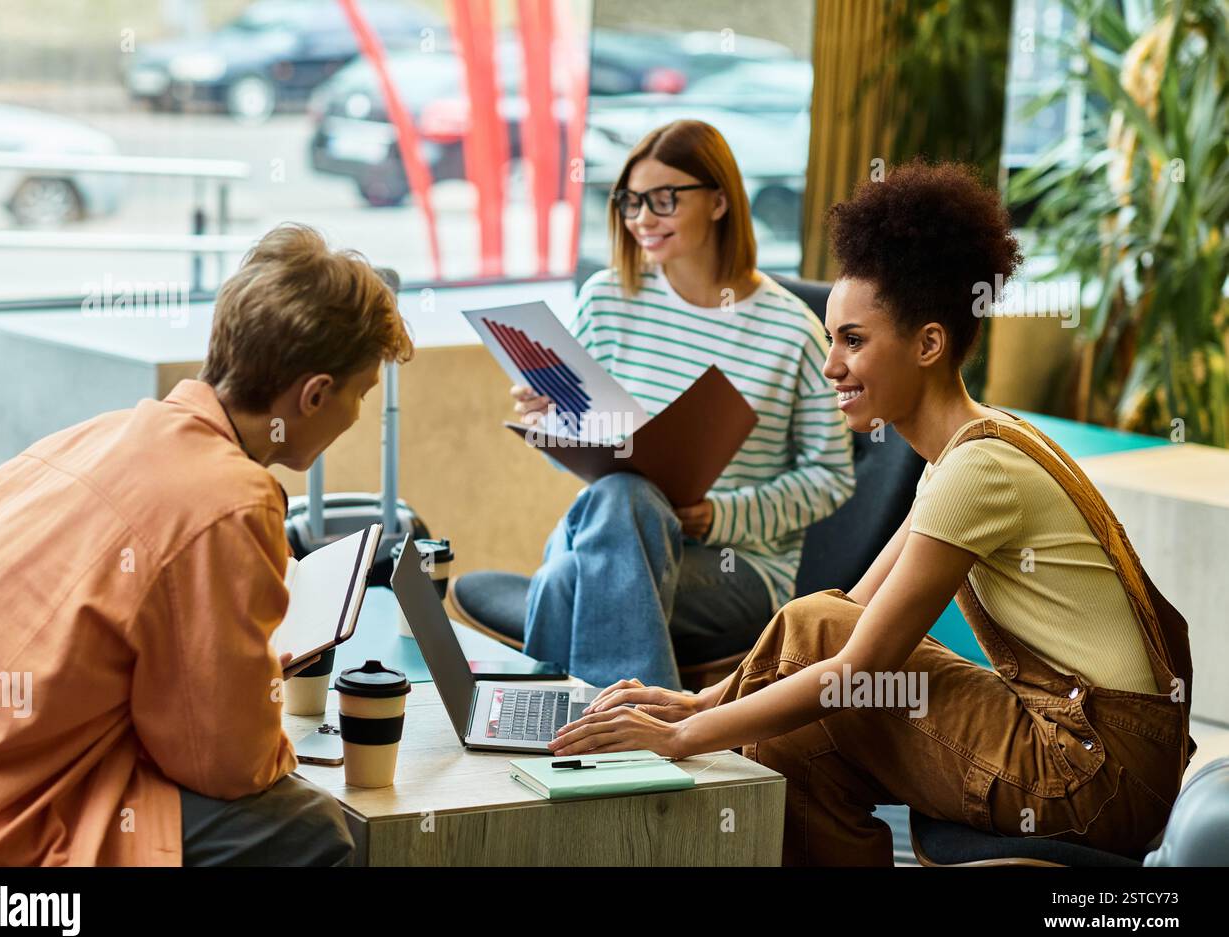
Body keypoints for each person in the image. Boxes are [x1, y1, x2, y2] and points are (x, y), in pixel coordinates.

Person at [546, 160, 1196, 865]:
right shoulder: (963, 454)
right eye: (831, 338)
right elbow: (849, 610)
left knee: (815, 637)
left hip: (1096, 773)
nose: (831, 365)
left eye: (853, 340)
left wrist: (681, 734)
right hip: (1092, 750)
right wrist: (702, 703)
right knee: (795, 727)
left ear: (928, 344)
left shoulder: (977, 471)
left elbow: (858, 661)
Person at [0, 224, 413, 866]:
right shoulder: (231, 497)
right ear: (315, 393)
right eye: (360, 394)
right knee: (309, 828)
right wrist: (258, 695)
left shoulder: (98, 435)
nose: (354, 415)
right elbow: (227, 765)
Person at [511, 120, 854, 691]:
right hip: (610, 533)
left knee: (565, 577)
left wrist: (719, 514)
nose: (642, 218)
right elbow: (588, 452)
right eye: (631, 201)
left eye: (664, 199)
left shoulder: (790, 330)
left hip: (734, 563)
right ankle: (639, 729)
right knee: (618, 504)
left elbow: (831, 477)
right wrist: (553, 423)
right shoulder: (608, 299)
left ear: (718, 201)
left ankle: (560, 722)